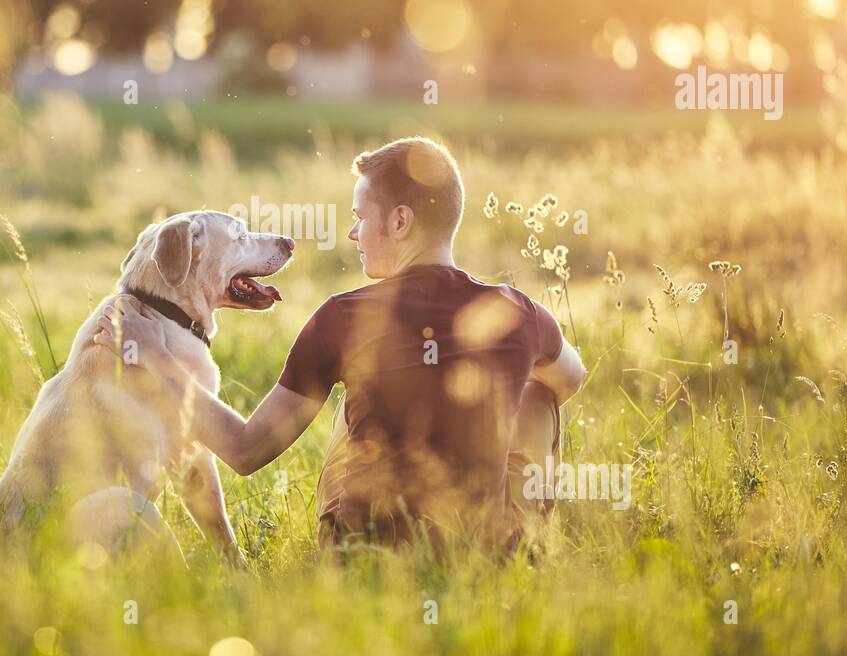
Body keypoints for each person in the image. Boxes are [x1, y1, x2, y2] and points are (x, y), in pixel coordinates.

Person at [94, 137, 587, 550]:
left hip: (361, 556)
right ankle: (524, 537)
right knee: (538, 392)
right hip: (479, 556)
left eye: (360, 217)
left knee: (350, 397)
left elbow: (245, 451)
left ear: (399, 222)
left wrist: (157, 360)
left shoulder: (343, 316)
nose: (352, 232)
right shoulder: (518, 311)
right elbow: (571, 379)